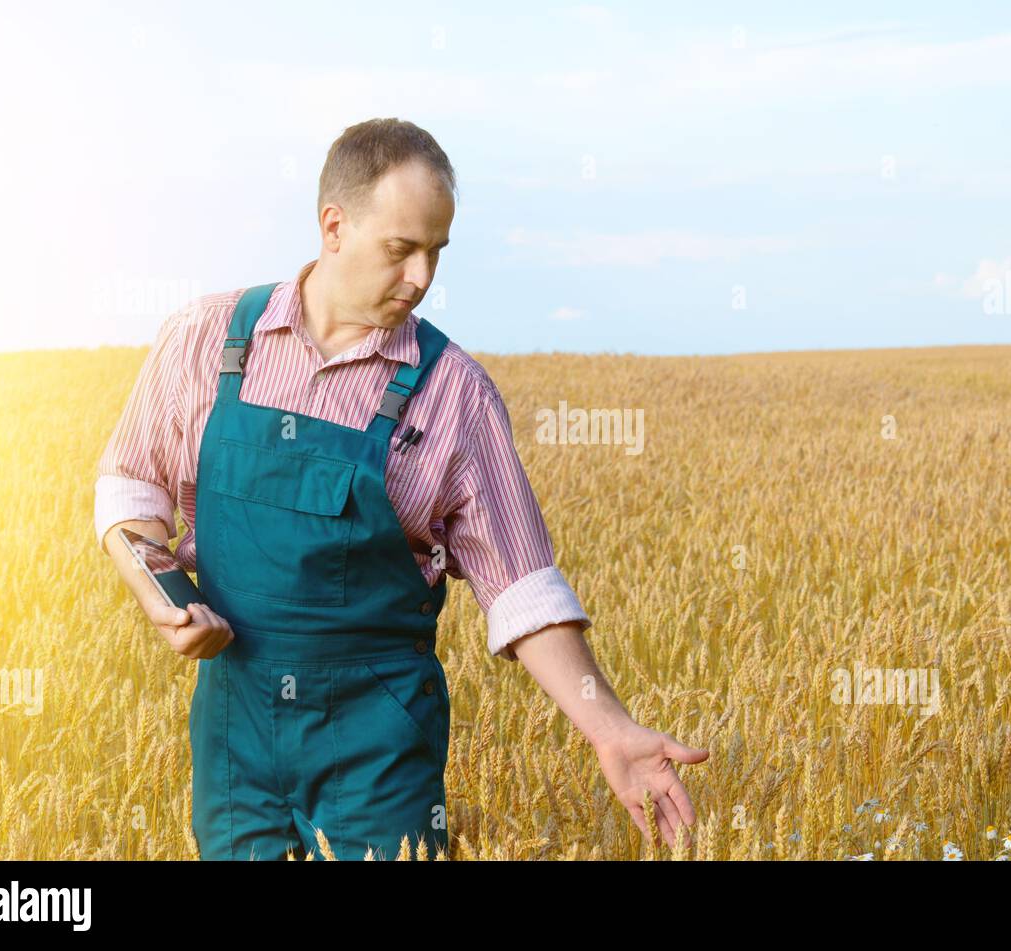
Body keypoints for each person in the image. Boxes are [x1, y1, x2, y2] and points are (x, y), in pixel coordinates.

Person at [95, 117, 708, 860]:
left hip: (376, 751)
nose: (421, 277)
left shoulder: (454, 393)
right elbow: (130, 494)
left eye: (436, 252)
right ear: (333, 225)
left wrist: (612, 729)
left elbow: (520, 583)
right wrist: (158, 598)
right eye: (401, 249)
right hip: (234, 740)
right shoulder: (207, 338)